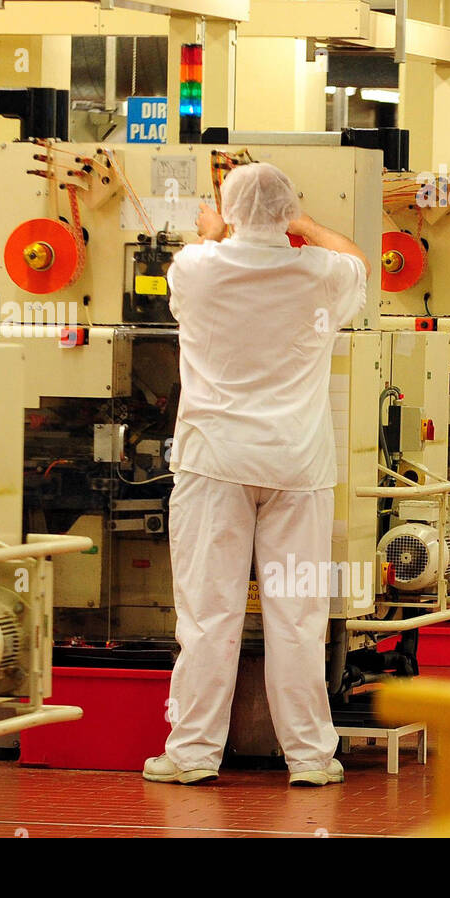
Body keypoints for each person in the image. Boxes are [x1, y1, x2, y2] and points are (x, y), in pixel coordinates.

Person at [142, 161, 369, 787]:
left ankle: (191, 755)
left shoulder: (196, 267)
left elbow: (197, 260)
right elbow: (357, 260)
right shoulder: (320, 274)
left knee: (208, 612)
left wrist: (215, 230)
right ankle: (311, 759)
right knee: (297, 615)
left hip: (215, 464)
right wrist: (307, 224)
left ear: (230, 210)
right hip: (297, 467)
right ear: (286, 211)